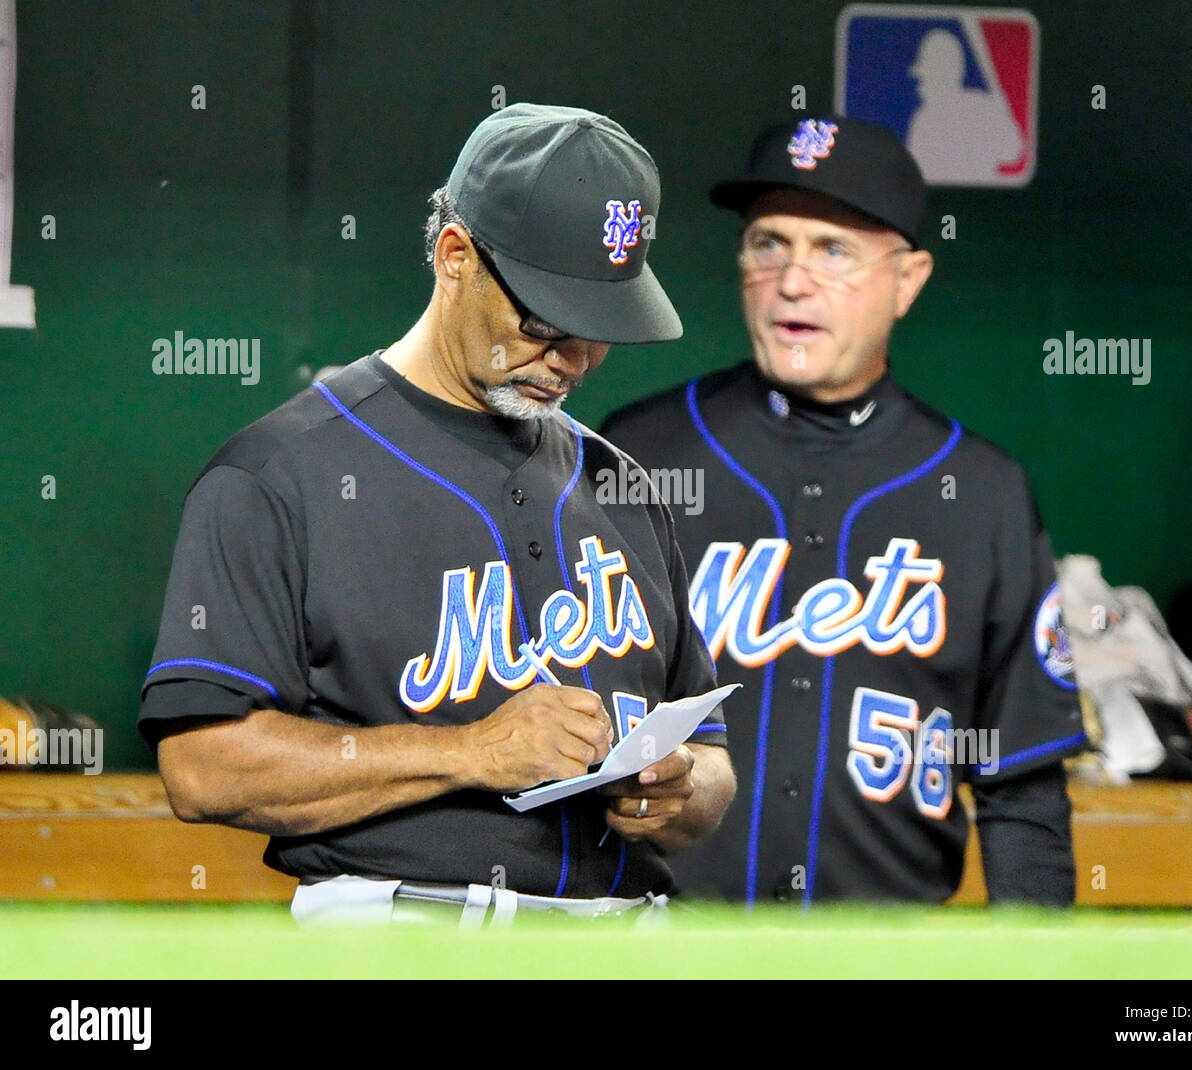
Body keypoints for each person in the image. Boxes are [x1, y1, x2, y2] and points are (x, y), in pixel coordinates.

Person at [138, 103, 736, 924]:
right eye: (549, 320)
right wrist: (470, 753)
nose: (575, 360)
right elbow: (201, 769)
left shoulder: (619, 483)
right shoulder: (280, 474)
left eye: (603, 328)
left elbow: (711, 759)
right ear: (455, 256)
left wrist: (681, 788)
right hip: (407, 933)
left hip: (629, 934)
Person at [600, 116, 1086, 906]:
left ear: (909, 279)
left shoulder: (982, 491)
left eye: (834, 250)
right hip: (662, 938)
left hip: (888, 950)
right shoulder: (640, 455)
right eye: (769, 244)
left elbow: (1022, 785)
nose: (793, 280)